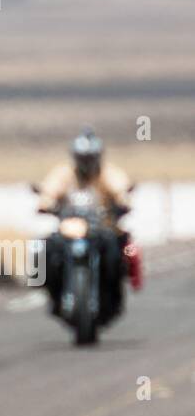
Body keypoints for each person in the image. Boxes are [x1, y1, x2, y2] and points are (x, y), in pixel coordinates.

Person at [36, 127, 141, 317]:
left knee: (119, 251)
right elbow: (50, 190)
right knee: (44, 247)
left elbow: (121, 189)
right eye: (82, 158)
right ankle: (51, 288)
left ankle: (111, 289)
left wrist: (123, 202)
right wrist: (45, 203)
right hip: (71, 227)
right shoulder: (65, 173)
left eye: (90, 157)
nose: (86, 162)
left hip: (103, 229)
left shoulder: (107, 173)